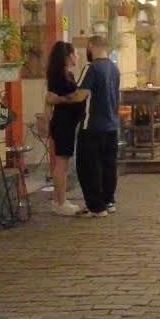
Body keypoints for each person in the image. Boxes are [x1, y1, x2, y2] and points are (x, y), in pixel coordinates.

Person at [70, 35, 121, 217]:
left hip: (92, 125)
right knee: (108, 165)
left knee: (88, 167)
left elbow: (79, 95)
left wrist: (60, 98)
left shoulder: (91, 68)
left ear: (91, 46)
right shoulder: (114, 68)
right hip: (112, 125)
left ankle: (95, 206)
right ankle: (108, 201)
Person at [42, 41, 84, 216]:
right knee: (61, 164)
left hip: (68, 122)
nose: (77, 56)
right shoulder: (59, 77)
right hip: (63, 123)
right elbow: (57, 98)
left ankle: (60, 199)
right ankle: (60, 201)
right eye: (74, 53)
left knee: (63, 163)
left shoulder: (68, 76)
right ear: (67, 56)